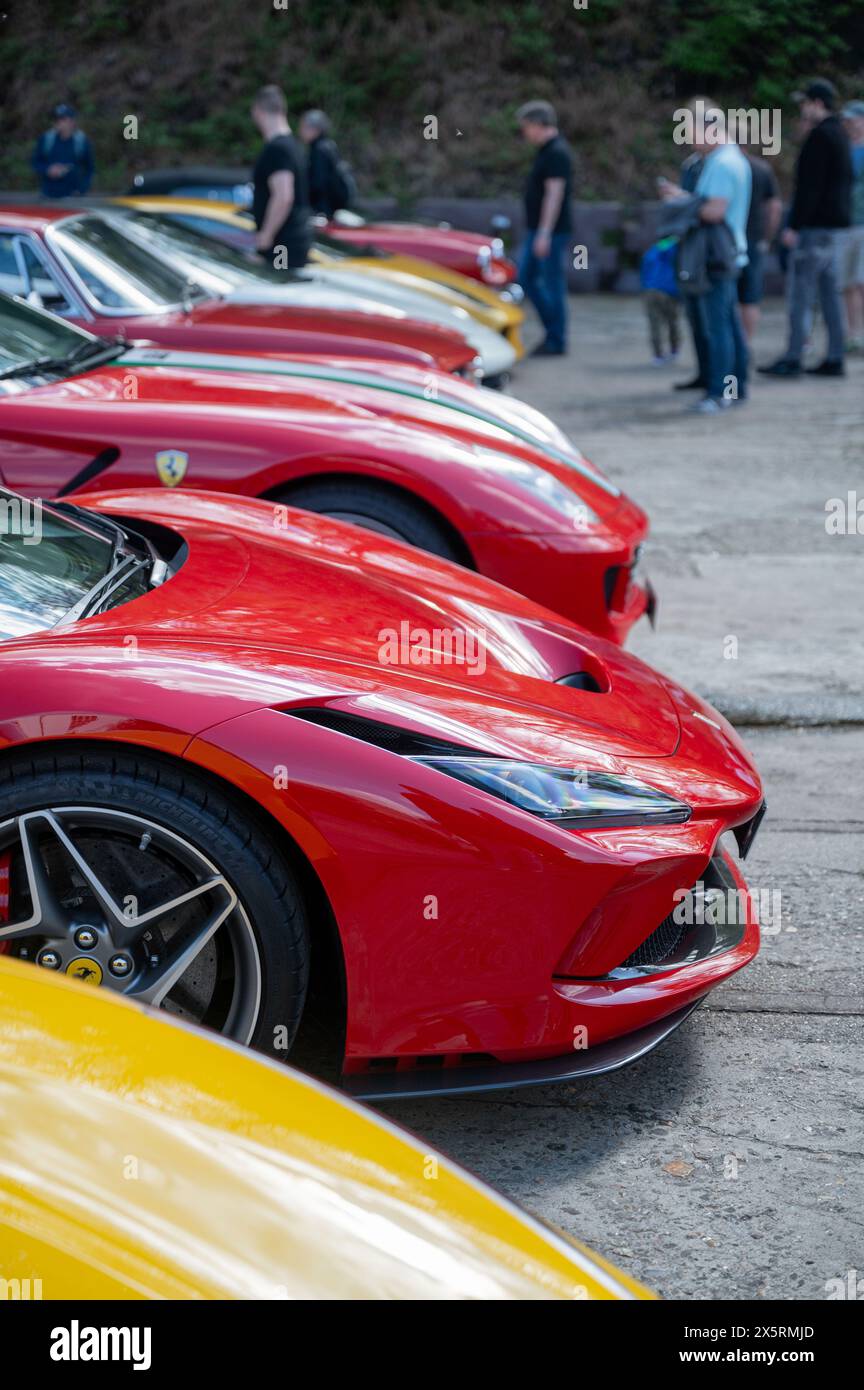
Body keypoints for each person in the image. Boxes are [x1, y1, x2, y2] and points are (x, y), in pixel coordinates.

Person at [660, 102, 752, 414]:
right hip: (725, 253)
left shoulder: (723, 163)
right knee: (727, 323)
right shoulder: (725, 159)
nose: (691, 141)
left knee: (718, 327)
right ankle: (735, 386)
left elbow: (714, 210)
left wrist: (679, 204)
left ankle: (719, 392)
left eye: (693, 134)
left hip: (716, 255)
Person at [760, 79, 853, 379]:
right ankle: (836, 356)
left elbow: (809, 188)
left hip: (813, 229)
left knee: (801, 294)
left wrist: (795, 226)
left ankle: (794, 356)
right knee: (830, 296)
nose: (801, 109)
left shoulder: (820, 137)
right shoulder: (840, 134)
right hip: (834, 228)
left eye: (805, 103)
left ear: (816, 103)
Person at [516, 100, 573, 357]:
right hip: (541, 229)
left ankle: (556, 336)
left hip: (548, 231)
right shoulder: (547, 150)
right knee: (531, 279)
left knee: (548, 283)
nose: (525, 133)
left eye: (527, 127)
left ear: (539, 125)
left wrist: (544, 232)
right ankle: (553, 333)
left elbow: (554, 194)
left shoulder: (556, 153)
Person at [250, 85, 311, 271]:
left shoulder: (277, 149)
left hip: (282, 244)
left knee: (278, 286)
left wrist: (266, 236)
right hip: (292, 239)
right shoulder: (294, 146)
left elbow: (284, 196)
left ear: (258, 112)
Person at [738, 147, 783, 340]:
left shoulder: (723, 167)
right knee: (750, 297)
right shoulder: (761, 168)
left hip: (726, 242)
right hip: (754, 240)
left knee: (728, 297)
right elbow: (774, 207)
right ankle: (746, 345)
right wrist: (767, 237)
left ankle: (734, 347)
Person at [839, 100, 864, 351]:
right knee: (848, 282)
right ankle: (853, 333)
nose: (849, 124)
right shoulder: (844, 149)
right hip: (845, 223)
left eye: (853, 119)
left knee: (861, 281)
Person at [31, 103, 94, 199]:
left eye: (63, 119)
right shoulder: (46, 139)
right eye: (57, 119)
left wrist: (81, 190)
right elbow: (35, 163)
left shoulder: (81, 141)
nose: (59, 122)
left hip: (73, 197)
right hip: (48, 196)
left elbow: (89, 169)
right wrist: (48, 170)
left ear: (72, 122)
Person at [299, 109, 353, 218]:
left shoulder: (319, 150)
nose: (300, 131)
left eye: (304, 127)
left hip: (324, 210)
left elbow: (318, 183)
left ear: (314, 129)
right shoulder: (329, 145)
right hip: (333, 207)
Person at [640, 236, 681, 363]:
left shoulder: (654, 249)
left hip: (651, 289)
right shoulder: (676, 246)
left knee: (655, 325)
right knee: (672, 322)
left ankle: (658, 355)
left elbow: (644, 269)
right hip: (670, 290)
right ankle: (674, 350)